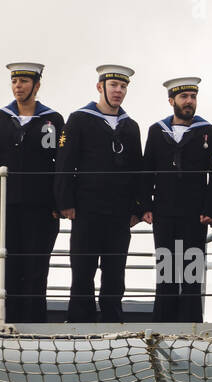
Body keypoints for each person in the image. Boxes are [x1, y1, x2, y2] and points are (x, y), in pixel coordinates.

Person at [55, 64, 143, 323]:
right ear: (100, 87)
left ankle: (113, 322)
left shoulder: (131, 126)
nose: (118, 91)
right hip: (86, 208)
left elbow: (137, 169)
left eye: (123, 86)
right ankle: (79, 323)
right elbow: (64, 162)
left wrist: (137, 209)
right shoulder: (79, 119)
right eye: (114, 85)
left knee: (115, 272)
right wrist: (65, 201)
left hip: (118, 212)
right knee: (83, 269)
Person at [139, 76, 212, 322]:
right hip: (164, 211)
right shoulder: (157, 131)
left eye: (193, 97)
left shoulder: (209, 132)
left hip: (194, 212)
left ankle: (191, 325)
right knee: (165, 271)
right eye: (184, 97)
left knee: (191, 272)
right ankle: (162, 325)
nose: (189, 102)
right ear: (171, 101)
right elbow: (147, 170)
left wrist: (211, 208)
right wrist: (144, 205)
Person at [1, 62, 62, 323]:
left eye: (24, 82)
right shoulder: (2, 118)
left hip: (40, 208)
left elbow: (59, 161)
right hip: (7, 206)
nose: (18, 87)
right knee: (9, 268)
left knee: (37, 269)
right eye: (15, 82)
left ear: (36, 85)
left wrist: (58, 202)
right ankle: (8, 323)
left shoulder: (52, 120)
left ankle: (33, 325)